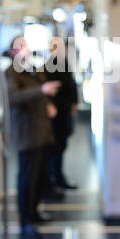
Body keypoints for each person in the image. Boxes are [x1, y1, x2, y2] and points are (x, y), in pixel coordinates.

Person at [4, 36, 59, 228]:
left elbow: (39, 93)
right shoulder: (11, 73)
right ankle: (25, 219)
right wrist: (42, 91)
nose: (26, 49)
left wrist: (48, 105)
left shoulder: (31, 70)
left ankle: (34, 212)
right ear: (14, 52)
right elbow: (14, 97)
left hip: (40, 132)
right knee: (26, 178)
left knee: (38, 177)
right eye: (22, 46)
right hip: (26, 134)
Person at [43, 36, 80, 191]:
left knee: (61, 145)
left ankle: (58, 178)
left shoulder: (63, 63)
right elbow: (52, 93)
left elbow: (71, 85)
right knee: (55, 148)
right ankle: (53, 181)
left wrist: (74, 102)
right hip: (57, 115)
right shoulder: (49, 66)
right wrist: (67, 104)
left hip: (64, 113)